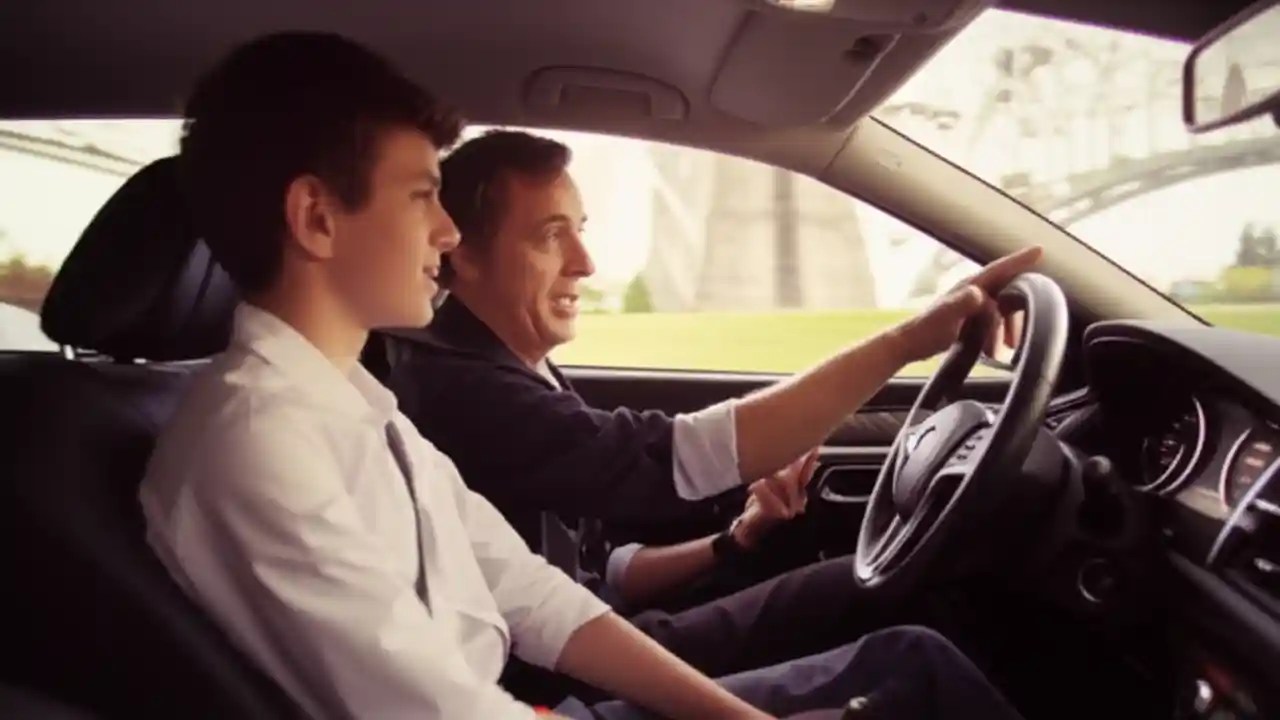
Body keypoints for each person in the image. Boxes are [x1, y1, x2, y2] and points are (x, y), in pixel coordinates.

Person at [138, 31, 1025, 720]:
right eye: (420, 197)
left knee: (906, 659)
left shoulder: (355, 407)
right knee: (915, 669)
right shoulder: (259, 442)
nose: (443, 235)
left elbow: (531, 593)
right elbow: (440, 709)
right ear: (318, 218)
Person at [368, 131, 1041, 658]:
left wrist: (735, 541)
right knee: (906, 629)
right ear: (462, 256)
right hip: (551, 667)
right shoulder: (464, 390)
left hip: (585, 625)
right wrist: (906, 341)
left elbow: (601, 567)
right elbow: (671, 460)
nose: (585, 261)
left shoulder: (506, 362)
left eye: (581, 228)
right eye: (550, 235)